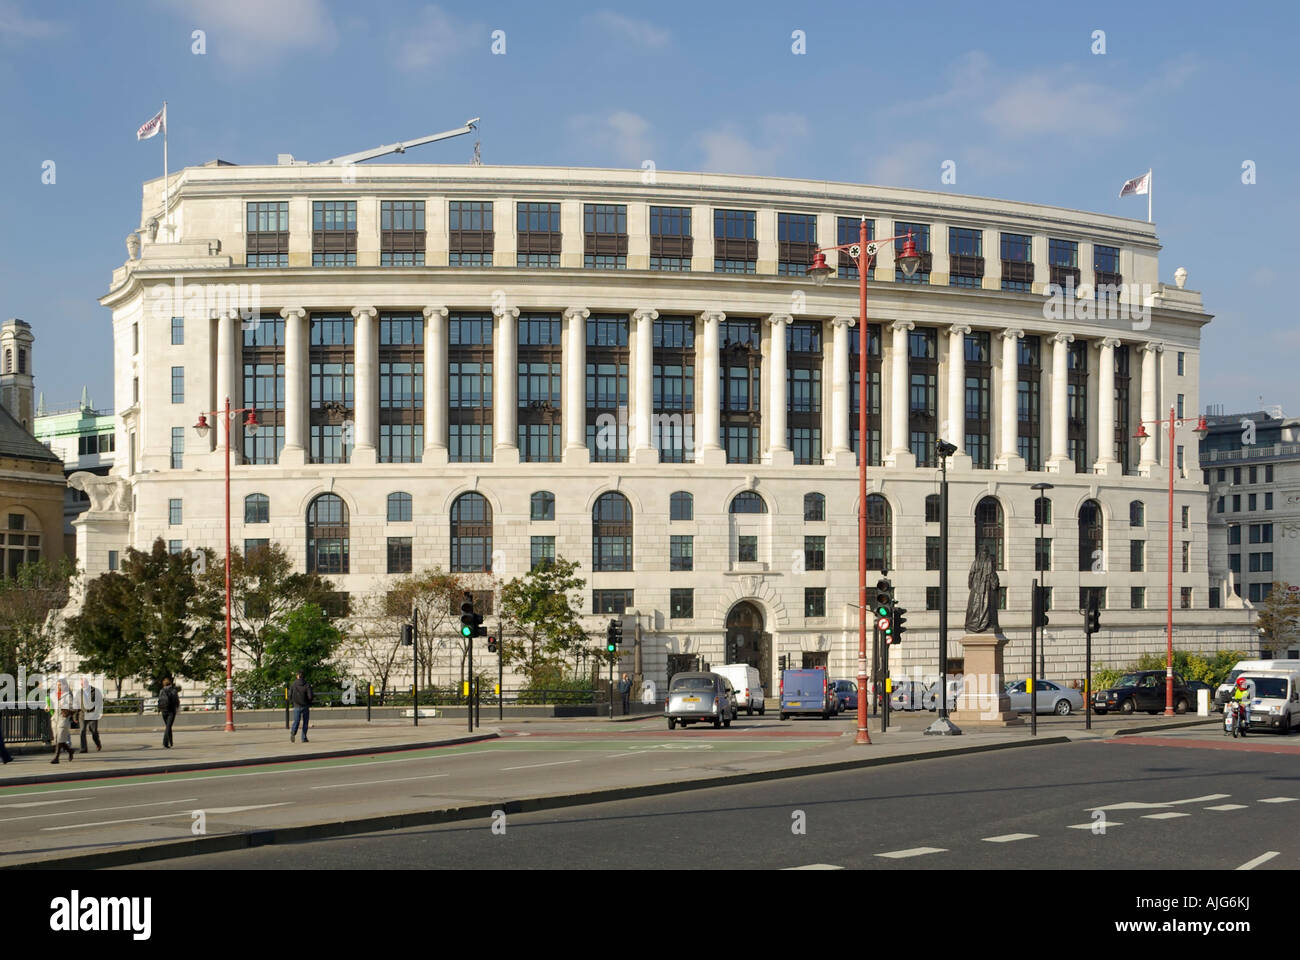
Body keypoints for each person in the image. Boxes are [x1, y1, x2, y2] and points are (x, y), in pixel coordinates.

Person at [50, 679, 76, 764]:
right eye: (58, 685)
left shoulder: (68, 695)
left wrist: (67, 710)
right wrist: (48, 707)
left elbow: (74, 707)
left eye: (60, 685)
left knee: (60, 737)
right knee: (57, 739)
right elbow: (50, 704)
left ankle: (56, 757)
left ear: (65, 685)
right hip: (55, 718)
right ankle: (70, 751)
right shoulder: (54, 694)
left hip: (63, 718)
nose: (59, 687)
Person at [79, 678, 103, 753]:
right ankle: (83, 748)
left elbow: (100, 702)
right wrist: (75, 716)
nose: (82, 685)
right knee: (82, 731)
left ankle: (98, 743)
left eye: (83, 683)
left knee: (94, 731)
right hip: (82, 714)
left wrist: (97, 712)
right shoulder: (80, 692)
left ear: (87, 683)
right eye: (81, 684)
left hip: (93, 715)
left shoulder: (95, 691)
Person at [290, 671, 313, 743]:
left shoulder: (293, 684)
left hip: (296, 705)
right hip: (305, 705)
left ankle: (293, 732)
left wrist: (293, 702)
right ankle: (304, 737)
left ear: (297, 676)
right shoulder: (307, 684)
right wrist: (309, 702)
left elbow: (290, 695)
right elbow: (310, 696)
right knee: (305, 722)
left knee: (296, 721)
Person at [159, 677, 179, 748]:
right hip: (171, 711)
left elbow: (159, 700)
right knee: (168, 727)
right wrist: (177, 707)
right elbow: (176, 700)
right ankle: (165, 742)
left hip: (163, 710)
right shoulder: (173, 690)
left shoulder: (161, 690)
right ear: (170, 683)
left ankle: (171, 742)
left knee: (168, 726)